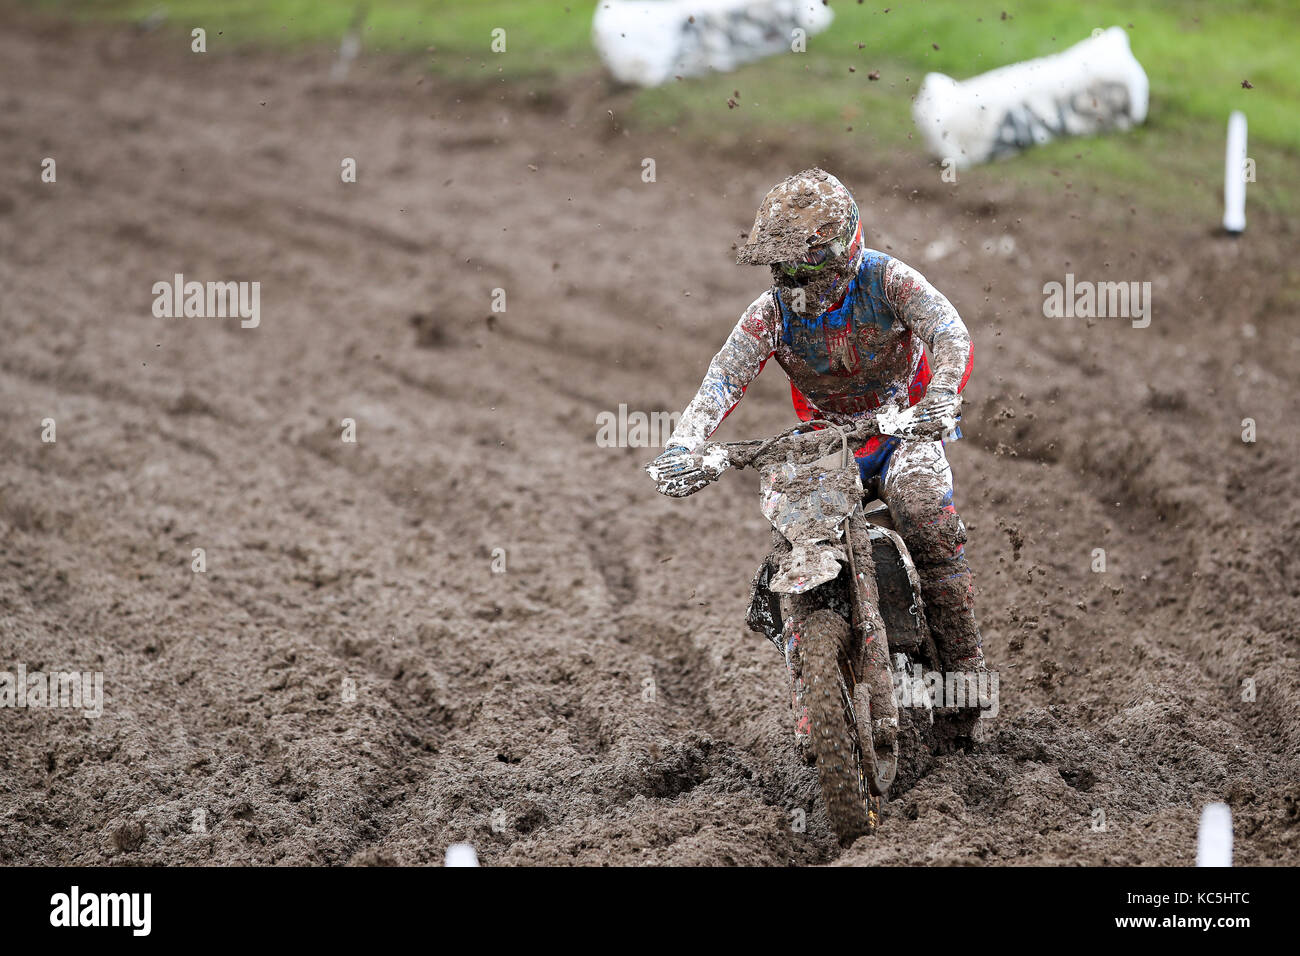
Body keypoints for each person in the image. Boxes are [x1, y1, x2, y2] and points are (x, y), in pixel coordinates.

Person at [649, 168, 983, 675]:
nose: (798, 279)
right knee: (797, 539)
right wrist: (684, 443)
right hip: (824, 443)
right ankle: (815, 653)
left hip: (902, 427)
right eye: (784, 268)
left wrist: (941, 394)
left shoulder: (887, 280)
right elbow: (723, 378)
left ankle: (965, 669)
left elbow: (950, 332)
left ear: (845, 248)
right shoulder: (771, 314)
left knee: (925, 516)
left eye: (810, 263)